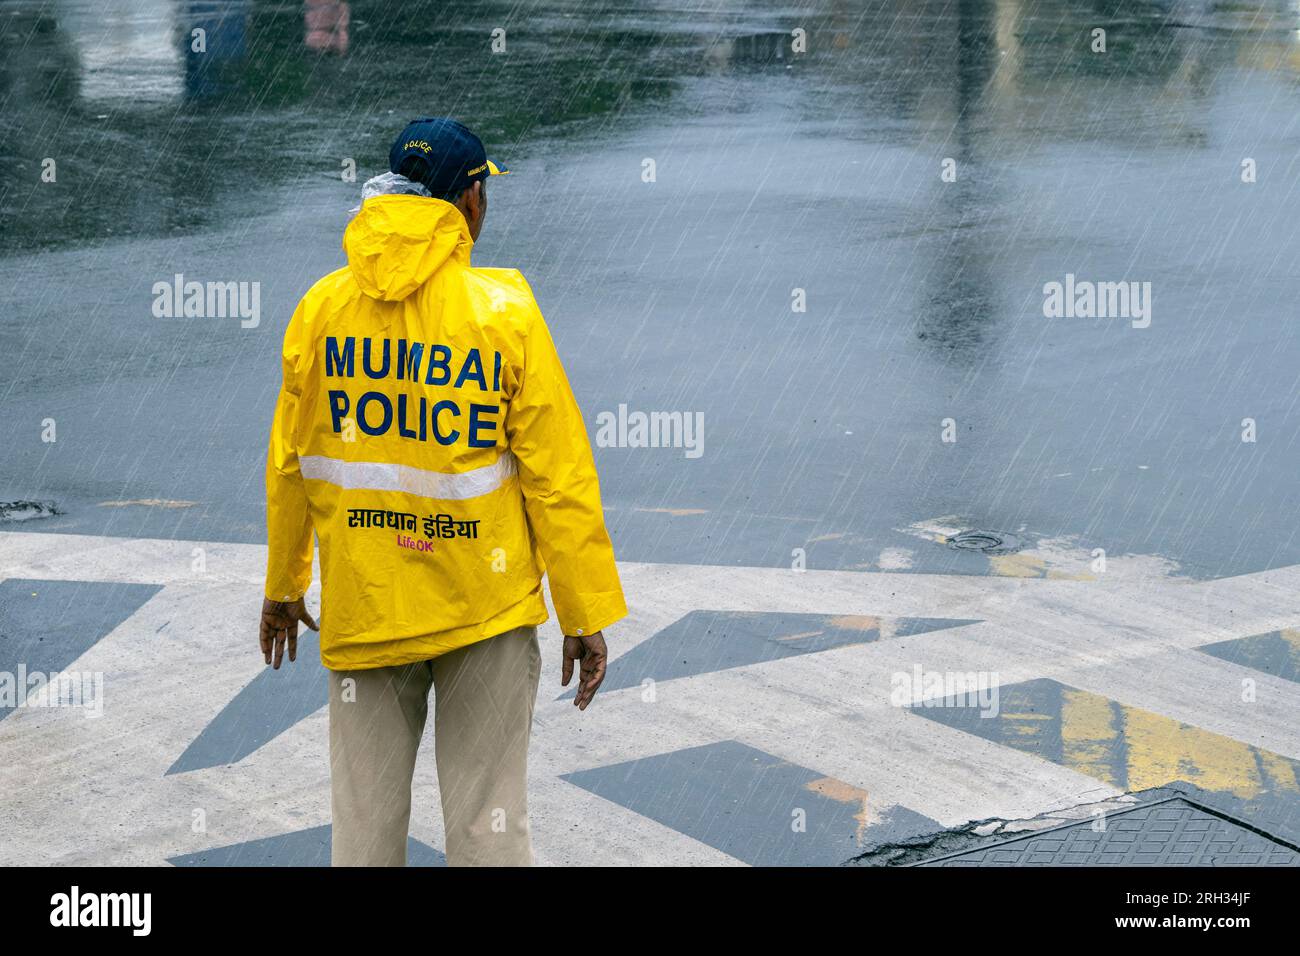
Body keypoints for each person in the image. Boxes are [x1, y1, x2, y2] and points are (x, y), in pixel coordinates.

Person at [260, 117, 627, 866]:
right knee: (488, 829)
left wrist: (283, 585)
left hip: (369, 604)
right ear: (465, 200)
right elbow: (558, 480)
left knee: (362, 834)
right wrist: (583, 613)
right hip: (482, 613)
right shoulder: (504, 315)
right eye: (483, 189)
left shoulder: (322, 309)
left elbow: (291, 462)